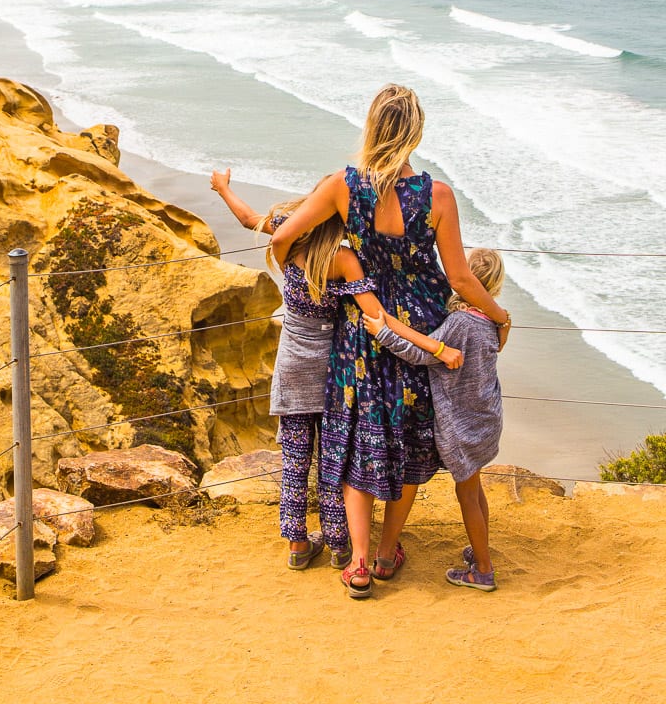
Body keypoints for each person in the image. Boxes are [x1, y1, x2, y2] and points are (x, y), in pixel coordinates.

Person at [270, 85, 510, 595]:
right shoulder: (437, 195)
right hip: (421, 336)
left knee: (362, 441)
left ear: (372, 126)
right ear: (416, 131)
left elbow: (280, 236)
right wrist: (500, 316)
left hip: (364, 335)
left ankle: (358, 561)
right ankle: (384, 555)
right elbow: (463, 279)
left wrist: (300, 273)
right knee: (408, 448)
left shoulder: (342, 185)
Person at [210, 166, 462, 586]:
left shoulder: (289, 243)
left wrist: (223, 189)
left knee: (294, 460)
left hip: (291, 368)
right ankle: (339, 543)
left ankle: (296, 544)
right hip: (328, 372)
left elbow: (249, 219)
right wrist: (435, 346)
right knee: (331, 460)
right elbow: (375, 315)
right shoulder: (344, 260)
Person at [363, 247, 506, 591]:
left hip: (461, 424)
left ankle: (483, 571)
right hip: (486, 418)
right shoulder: (493, 322)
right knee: (475, 488)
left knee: (468, 495)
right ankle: (479, 550)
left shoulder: (459, 323)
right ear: (495, 287)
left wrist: (382, 332)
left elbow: (421, 353)